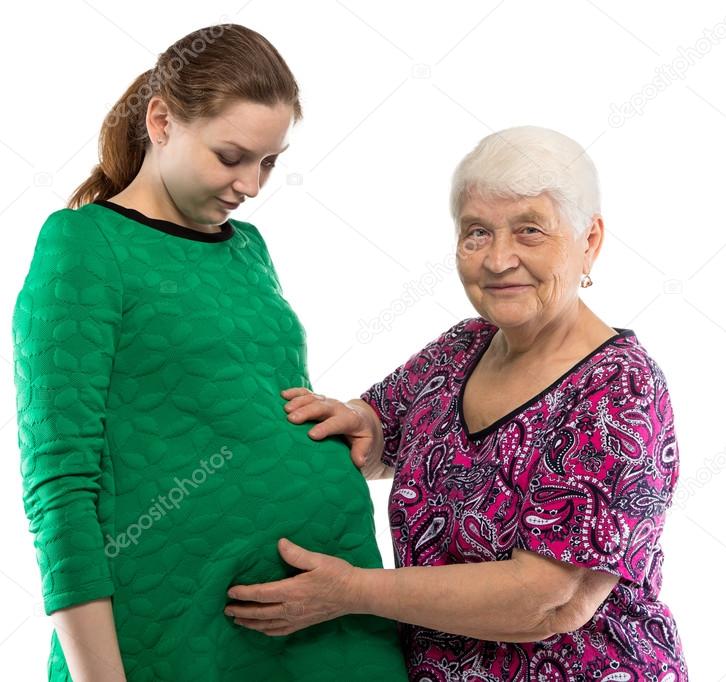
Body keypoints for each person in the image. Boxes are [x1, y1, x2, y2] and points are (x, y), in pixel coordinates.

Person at [11, 23, 406, 682]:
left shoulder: (248, 248)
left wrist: (340, 425)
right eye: (231, 156)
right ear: (162, 122)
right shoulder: (83, 245)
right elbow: (59, 482)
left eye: (269, 162)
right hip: (179, 628)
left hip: (328, 613)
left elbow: (233, 404)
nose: (251, 184)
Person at [226, 126, 688, 681]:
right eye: (477, 233)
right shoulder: (462, 346)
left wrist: (350, 592)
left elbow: (547, 601)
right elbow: (380, 430)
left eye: (530, 230)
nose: (498, 259)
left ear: (589, 241)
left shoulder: (620, 389)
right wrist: (356, 420)